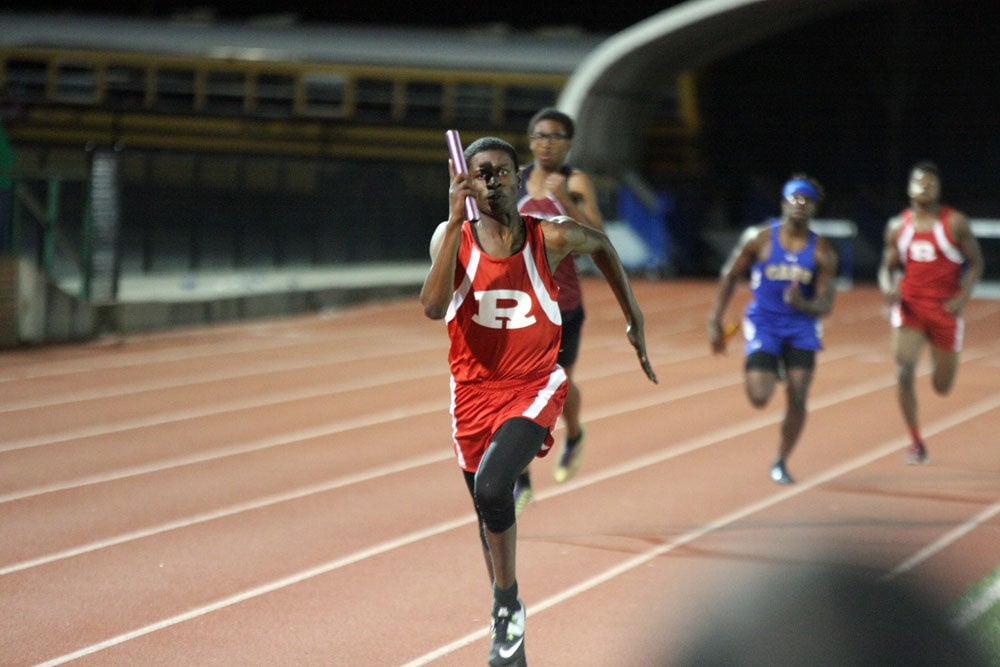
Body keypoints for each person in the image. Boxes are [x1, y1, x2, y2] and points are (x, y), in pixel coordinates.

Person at [421, 136, 657, 666]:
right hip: (472, 392)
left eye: (502, 172)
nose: (492, 181)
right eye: (481, 173)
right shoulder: (450, 235)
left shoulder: (546, 237)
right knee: (489, 511)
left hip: (533, 384)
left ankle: (505, 602)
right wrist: (456, 221)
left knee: (493, 484)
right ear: (466, 182)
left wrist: (633, 314)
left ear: (517, 178)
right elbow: (434, 307)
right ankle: (509, 622)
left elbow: (600, 243)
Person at [707, 175, 837, 485]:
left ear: (814, 209)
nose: (799, 204)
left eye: (806, 200)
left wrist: (804, 305)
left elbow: (826, 303)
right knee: (759, 397)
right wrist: (715, 321)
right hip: (764, 322)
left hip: (801, 327)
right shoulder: (760, 239)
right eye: (794, 198)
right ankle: (770, 362)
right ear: (783, 203)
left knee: (799, 396)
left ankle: (780, 460)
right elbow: (729, 276)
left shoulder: (822, 252)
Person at [512, 107, 605, 516]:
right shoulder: (515, 181)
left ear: (568, 144)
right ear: (530, 140)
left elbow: (596, 236)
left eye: (555, 137)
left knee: (559, 385)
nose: (546, 143)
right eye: (539, 135)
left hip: (563, 304)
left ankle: (575, 433)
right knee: (516, 391)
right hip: (519, 306)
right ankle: (520, 479)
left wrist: (563, 199)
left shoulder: (575, 180)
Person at [877, 161, 983, 464]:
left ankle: (940, 365)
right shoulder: (898, 227)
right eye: (919, 182)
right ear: (909, 188)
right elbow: (887, 268)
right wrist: (887, 287)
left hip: (944, 312)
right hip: (910, 308)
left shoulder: (955, 223)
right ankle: (916, 442)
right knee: (903, 371)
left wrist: (963, 297)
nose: (925, 187)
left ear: (939, 189)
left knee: (942, 386)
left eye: (931, 183)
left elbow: (976, 263)